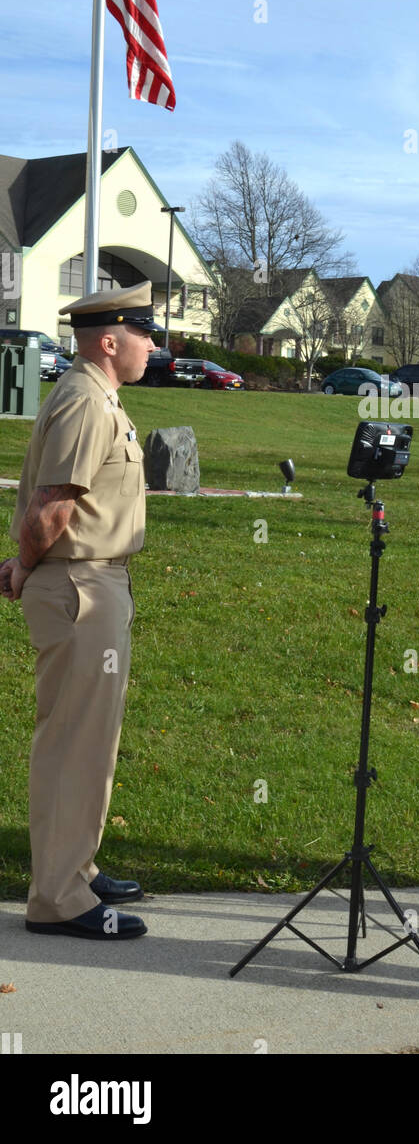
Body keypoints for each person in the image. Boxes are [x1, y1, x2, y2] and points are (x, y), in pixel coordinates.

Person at [0, 281, 161, 940]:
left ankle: (76, 866)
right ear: (110, 338)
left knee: (90, 740)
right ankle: (59, 898)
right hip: (79, 585)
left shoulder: (98, 399)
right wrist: (27, 566)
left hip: (89, 581)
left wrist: (23, 566)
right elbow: (52, 509)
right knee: (72, 743)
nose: (153, 345)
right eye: (147, 333)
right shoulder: (84, 404)